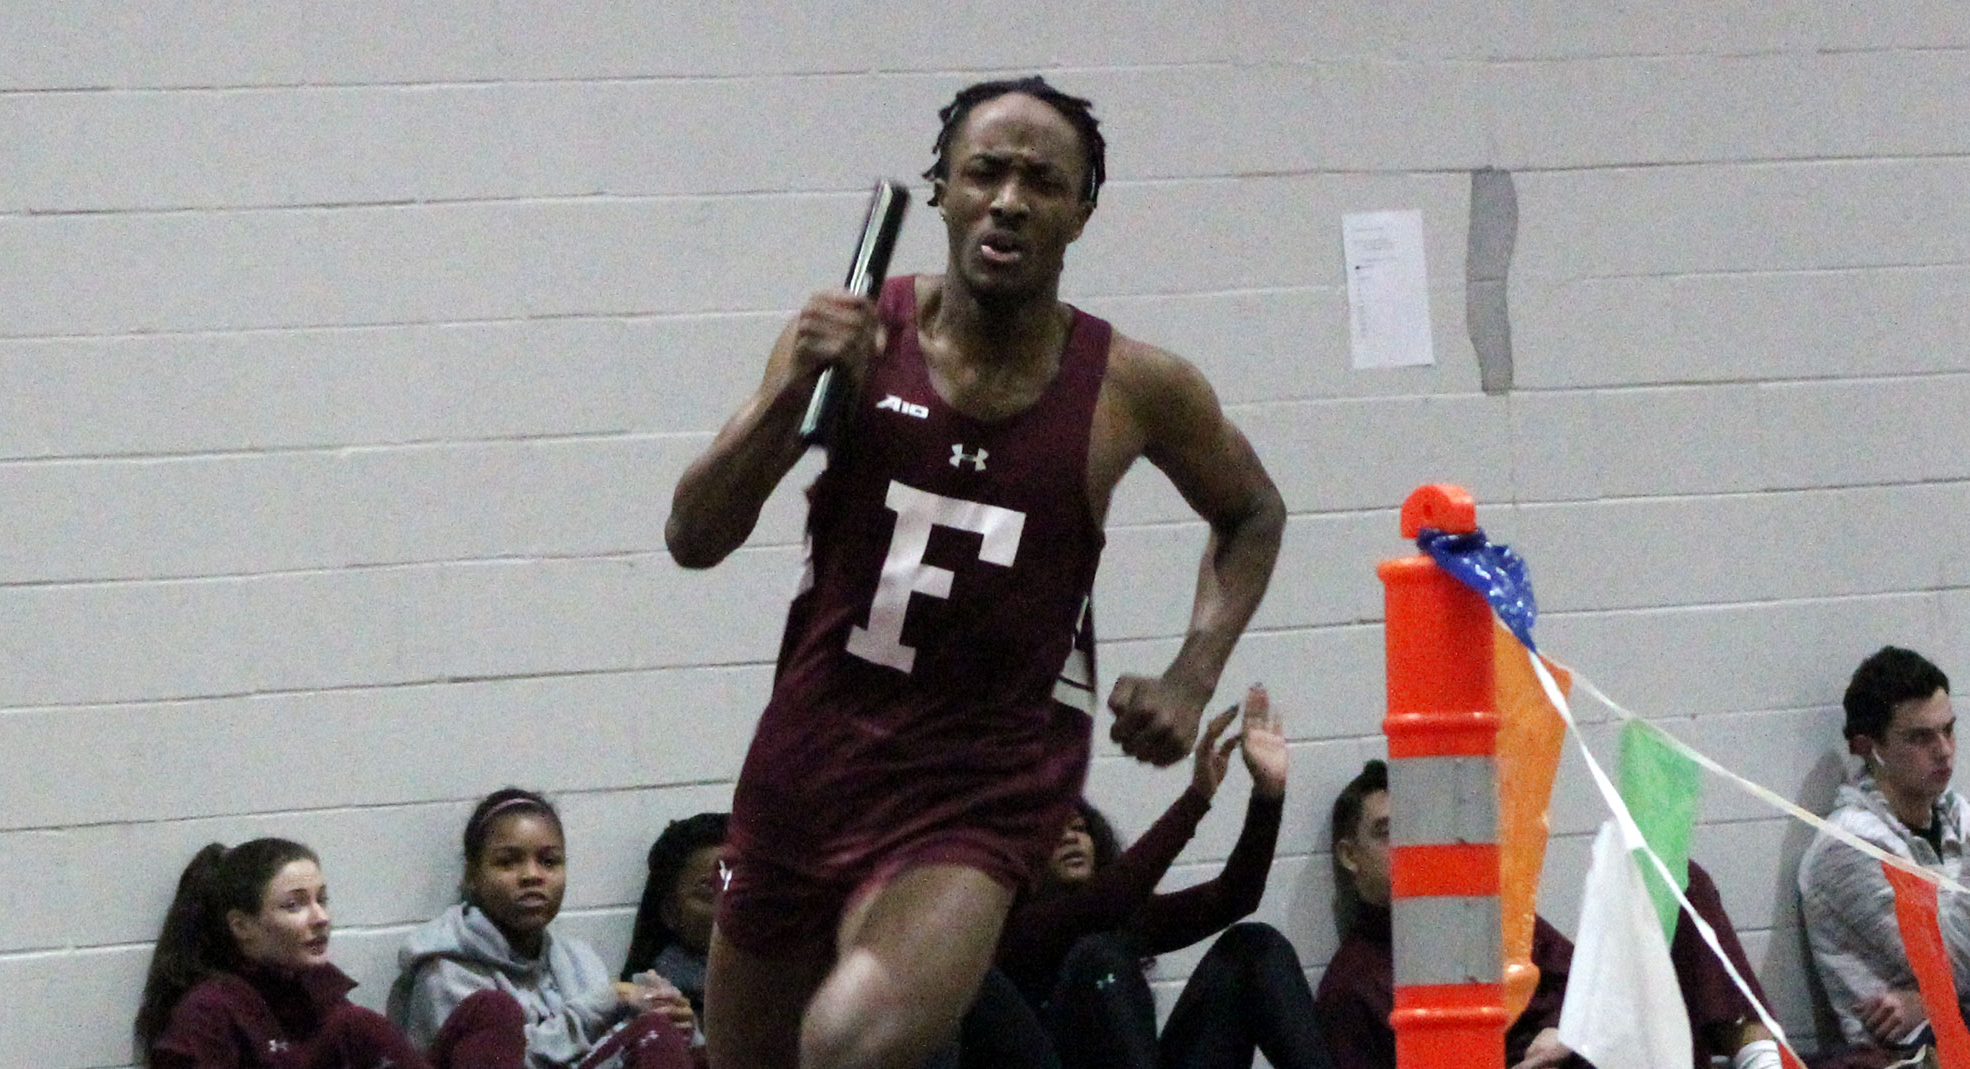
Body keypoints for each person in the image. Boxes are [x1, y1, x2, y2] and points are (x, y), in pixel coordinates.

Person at [664, 74, 1285, 1069]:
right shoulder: (859, 335)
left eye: (1040, 181)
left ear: (1080, 210)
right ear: (942, 191)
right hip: (810, 760)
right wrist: (789, 394)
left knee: (847, 1041)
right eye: (984, 173)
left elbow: (1251, 511)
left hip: (978, 788)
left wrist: (1191, 673)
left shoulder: (1132, 385)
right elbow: (693, 534)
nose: (1007, 199)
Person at [1319, 761, 1781, 1069]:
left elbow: (1584, 977)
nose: (1411, 847)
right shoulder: (1352, 985)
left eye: (1420, 829)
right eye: (1387, 832)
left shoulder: (1483, 916)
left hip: (1597, 1051)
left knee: (1674, 877)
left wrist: (1568, 1030)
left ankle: (1759, 1056)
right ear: (1350, 855)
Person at [997, 684, 1332, 1069]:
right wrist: (1197, 798)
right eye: (1053, 830)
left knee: (1254, 947)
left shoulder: (1116, 919)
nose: (1071, 836)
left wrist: (1268, 796)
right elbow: (1105, 902)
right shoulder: (1013, 929)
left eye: (1078, 826)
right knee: (1099, 956)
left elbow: (1235, 897)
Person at [389, 789, 697, 1069]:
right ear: (472, 875)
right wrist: (609, 1002)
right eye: (508, 863)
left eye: (549, 862)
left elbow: (607, 1055)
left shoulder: (578, 958)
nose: (532, 876)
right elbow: (500, 1060)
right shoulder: (444, 969)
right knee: (496, 1010)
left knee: (656, 1034)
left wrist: (677, 1023)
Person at [133, 837, 446, 1068]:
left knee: (483, 1008)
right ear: (242, 926)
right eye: (294, 905)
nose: (321, 918)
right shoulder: (210, 1011)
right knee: (357, 1025)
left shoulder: (320, 991)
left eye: (321, 900)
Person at [1799, 646, 1970, 1059]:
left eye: (1948, 730)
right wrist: (1934, 999)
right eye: (1920, 738)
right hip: (1904, 1055)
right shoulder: (1847, 848)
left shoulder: (1955, 813)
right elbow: (1948, 961)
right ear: (1867, 746)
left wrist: (1924, 1002)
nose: (1944, 750)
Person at [622, 812, 728, 1017]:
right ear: (670, 912)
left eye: (742, 886)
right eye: (710, 891)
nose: (732, 903)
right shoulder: (660, 1002)